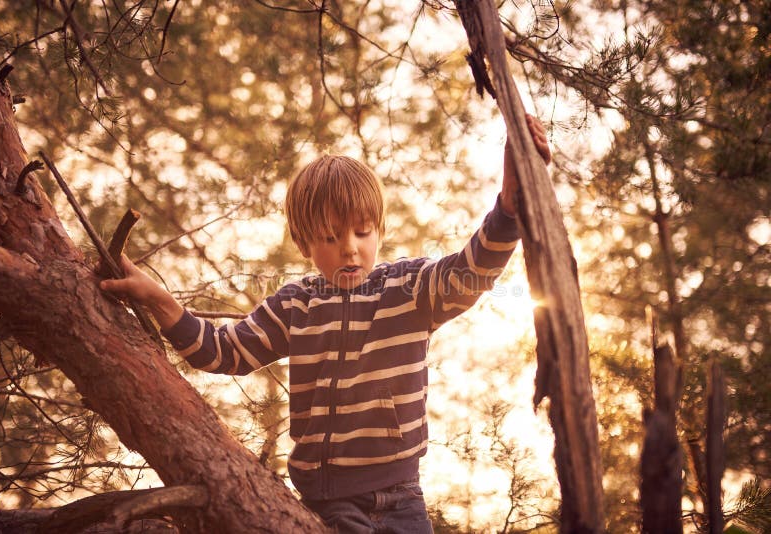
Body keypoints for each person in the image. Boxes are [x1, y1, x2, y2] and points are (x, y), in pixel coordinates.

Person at [100, 115, 551, 533]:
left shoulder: (408, 289)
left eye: (362, 231)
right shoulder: (296, 306)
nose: (349, 249)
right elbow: (223, 351)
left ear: (380, 230)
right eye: (331, 237)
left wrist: (508, 209)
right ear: (303, 242)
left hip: (403, 499)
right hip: (328, 503)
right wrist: (158, 299)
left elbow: (470, 272)